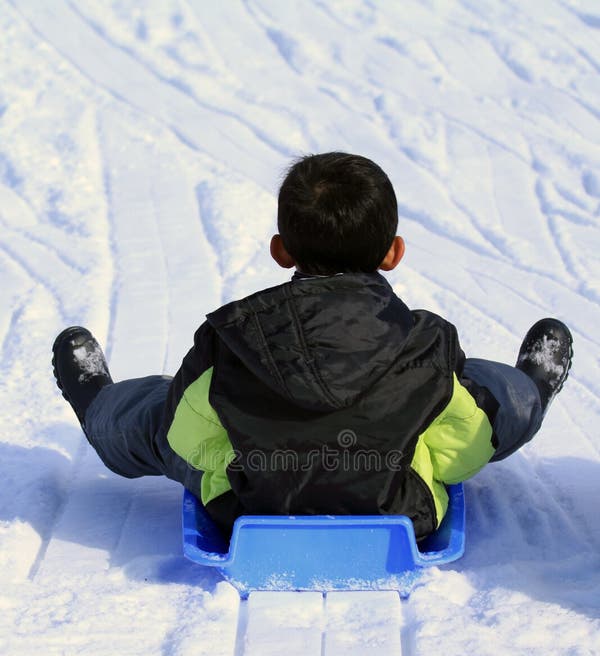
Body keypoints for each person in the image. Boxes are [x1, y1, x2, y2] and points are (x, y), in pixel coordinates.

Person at [52, 152, 573, 539]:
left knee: (158, 415)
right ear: (394, 253)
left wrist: (244, 459)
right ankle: (531, 386)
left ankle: (99, 404)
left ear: (281, 251)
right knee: (481, 399)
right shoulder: (424, 343)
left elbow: (187, 439)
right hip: (396, 508)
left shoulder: (232, 339)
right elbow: (462, 451)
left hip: (250, 504)